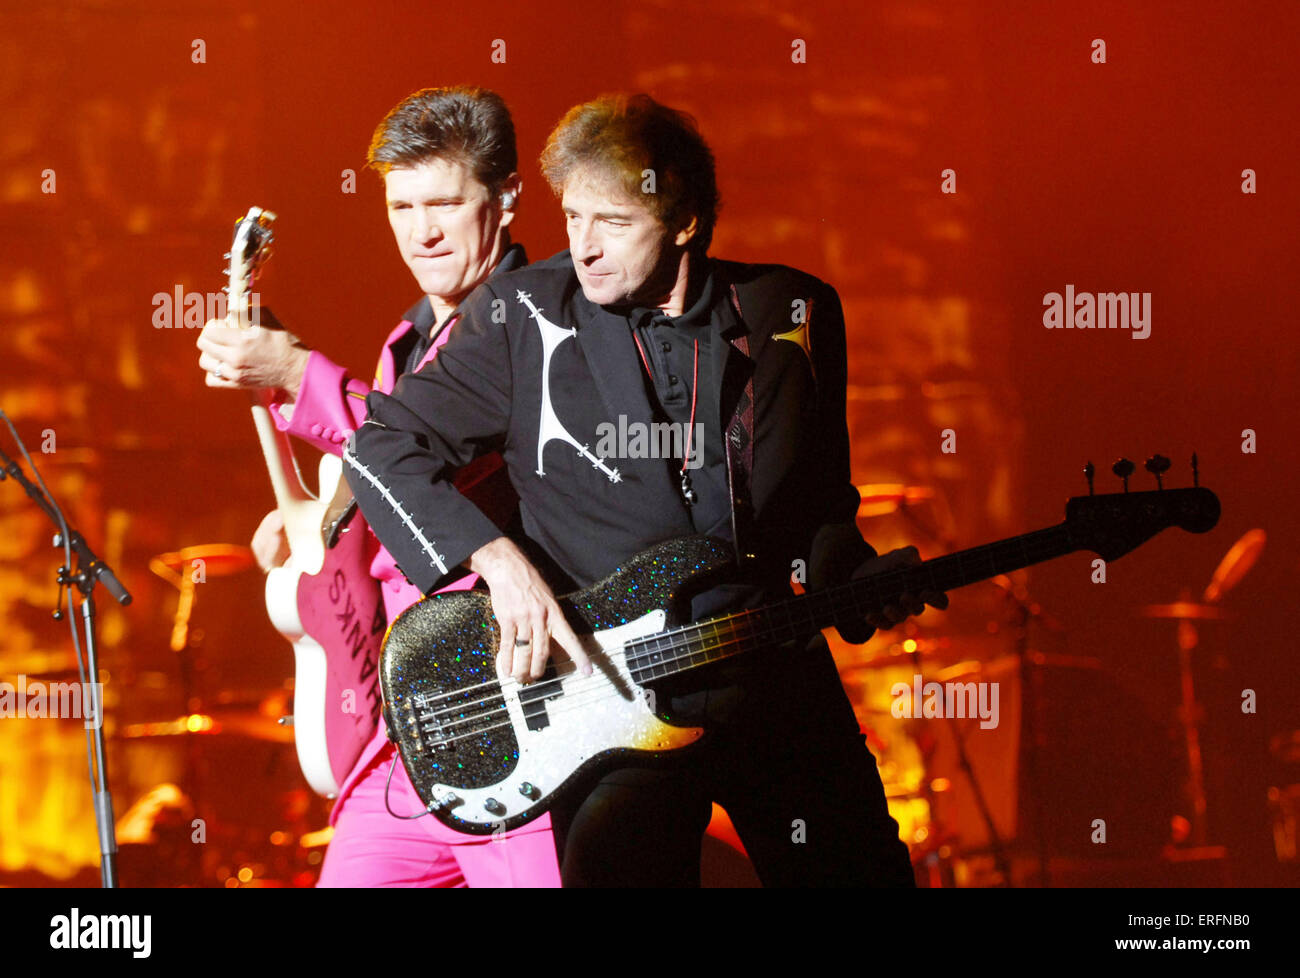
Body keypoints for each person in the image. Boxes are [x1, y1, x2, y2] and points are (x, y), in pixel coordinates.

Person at [344, 93, 947, 886]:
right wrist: (497, 564)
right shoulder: (526, 312)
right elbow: (380, 446)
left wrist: (855, 575)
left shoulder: (791, 314)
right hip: (608, 695)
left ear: (687, 219)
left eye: (614, 224)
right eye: (571, 220)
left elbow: (816, 512)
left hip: (768, 672)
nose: (584, 249)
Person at [195, 86, 561, 888]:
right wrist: (318, 520)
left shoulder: (530, 319)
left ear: (506, 201)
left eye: (443, 204)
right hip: (413, 727)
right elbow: (390, 482)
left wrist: (297, 372)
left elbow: (421, 453)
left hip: (511, 715)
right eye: (400, 206)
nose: (420, 231)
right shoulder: (410, 335)